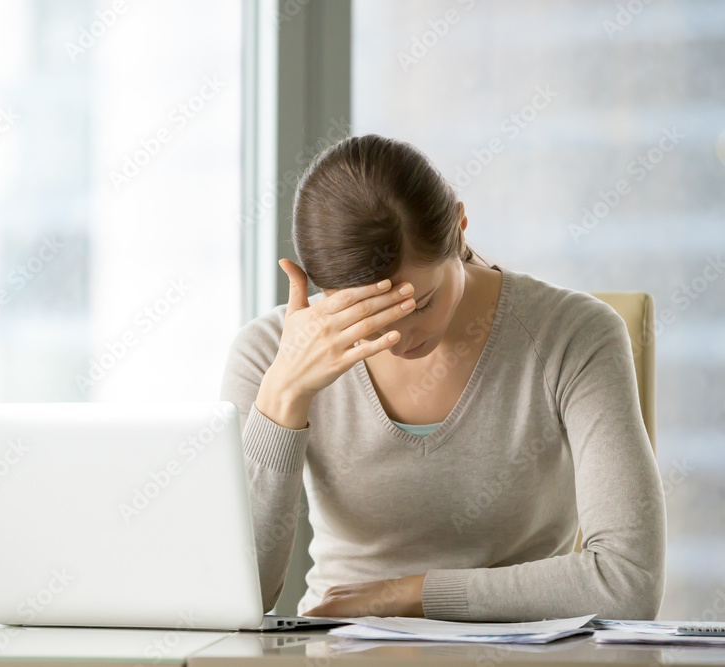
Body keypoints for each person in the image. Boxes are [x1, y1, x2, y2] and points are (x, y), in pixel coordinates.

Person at [219, 134, 666, 622]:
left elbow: (629, 582)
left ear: (459, 227)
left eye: (420, 304)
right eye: (365, 317)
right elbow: (236, 597)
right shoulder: (267, 352)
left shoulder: (573, 334)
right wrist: (284, 394)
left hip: (523, 650)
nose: (397, 340)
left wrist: (410, 595)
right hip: (334, 645)